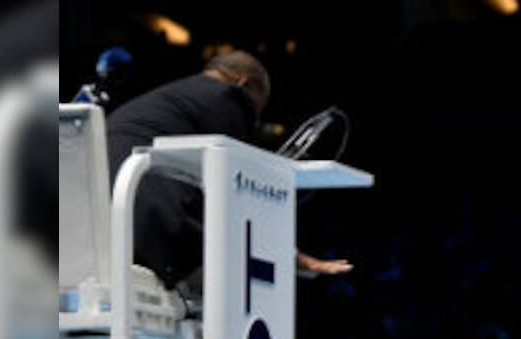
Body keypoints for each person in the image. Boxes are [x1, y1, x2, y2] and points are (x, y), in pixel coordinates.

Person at [105, 50, 351, 289]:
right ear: (243, 83)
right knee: (248, 279)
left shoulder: (174, 98)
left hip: (97, 225)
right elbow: (238, 192)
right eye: (256, 110)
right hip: (149, 226)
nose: (251, 120)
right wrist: (290, 257)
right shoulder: (228, 97)